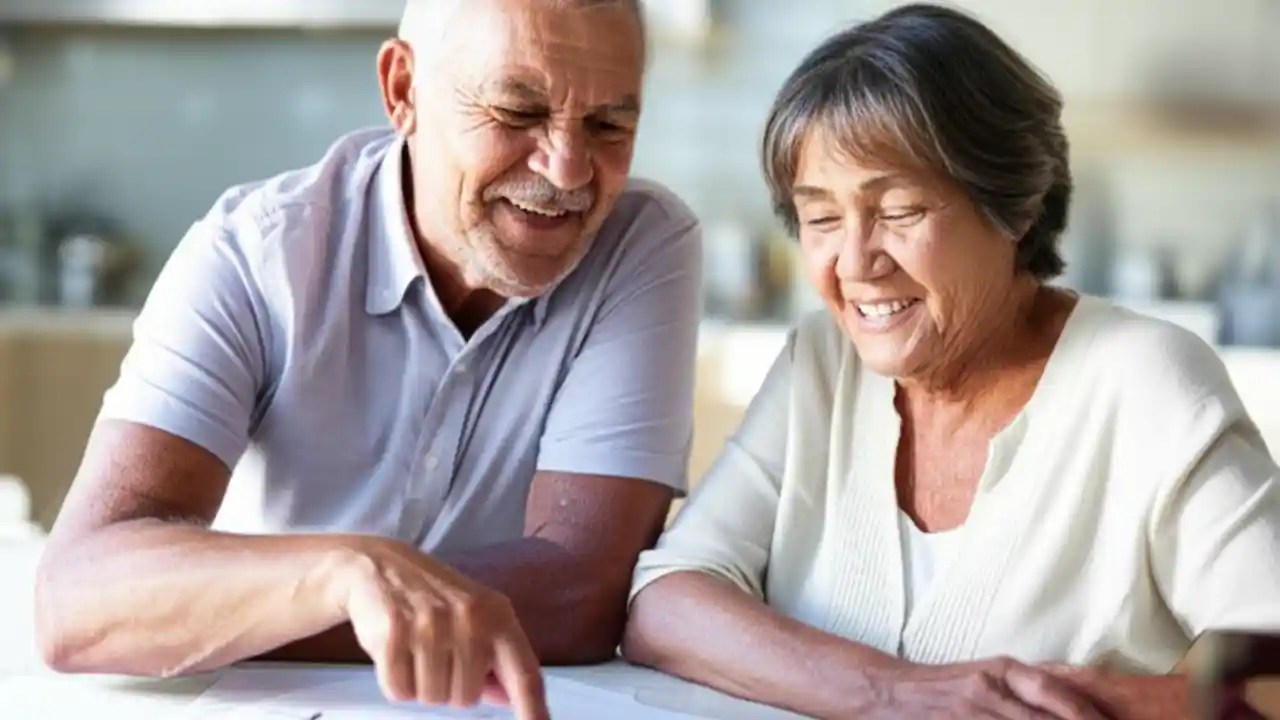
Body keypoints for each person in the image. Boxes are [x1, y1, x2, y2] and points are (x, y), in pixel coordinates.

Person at [35, 0, 702, 717]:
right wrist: (345, 572)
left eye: (608, 125)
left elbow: (581, 593)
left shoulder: (642, 245)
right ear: (402, 91)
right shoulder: (256, 253)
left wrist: (224, 608)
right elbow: (79, 601)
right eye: (517, 112)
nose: (568, 171)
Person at [623, 4, 1280, 720]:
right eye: (820, 219)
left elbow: (1270, 665)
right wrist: (897, 693)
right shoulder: (822, 363)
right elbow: (666, 603)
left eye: (899, 211)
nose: (855, 262)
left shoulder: (1144, 380)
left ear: (1015, 204)